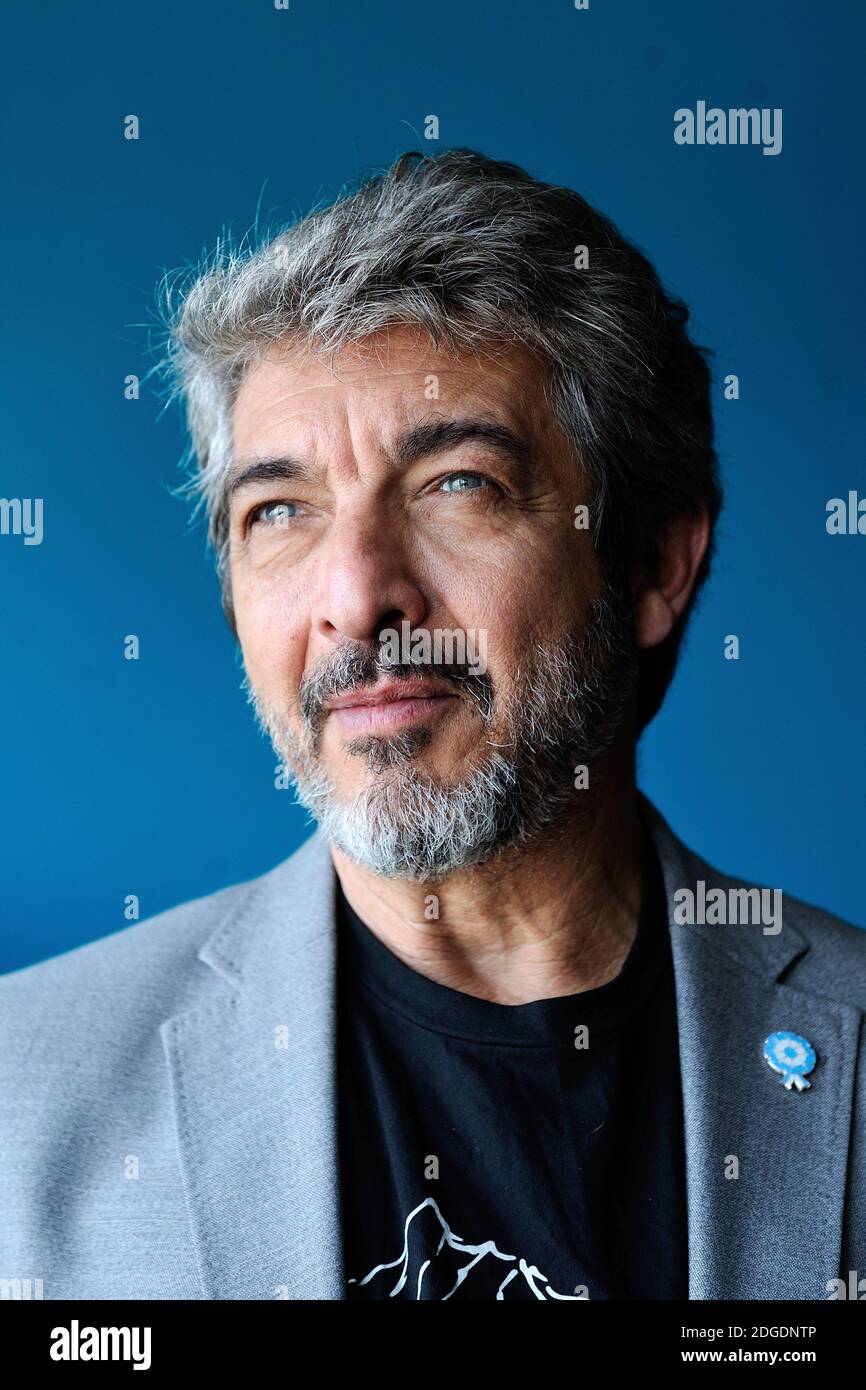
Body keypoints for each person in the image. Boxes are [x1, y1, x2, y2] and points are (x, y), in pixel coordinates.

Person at [1, 150, 863, 1301]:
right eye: (279, 511)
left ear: (655, 559)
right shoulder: (23, 1093)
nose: (355, 596)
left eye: (457, 483)